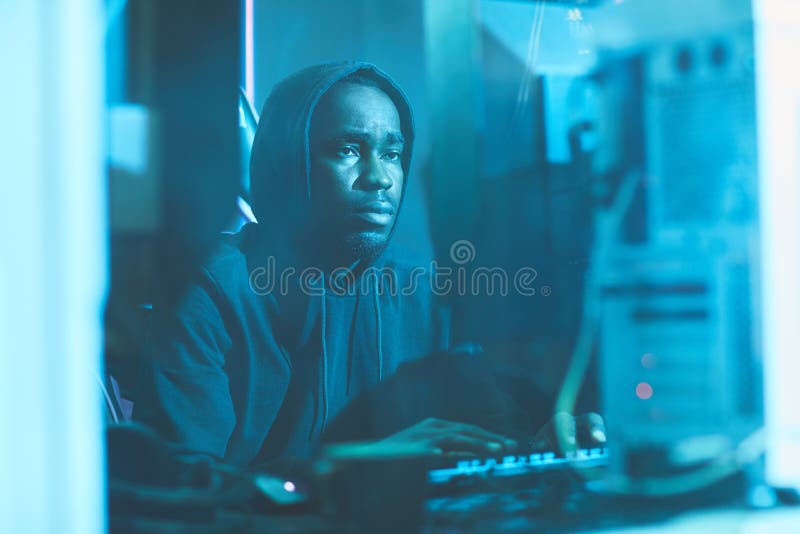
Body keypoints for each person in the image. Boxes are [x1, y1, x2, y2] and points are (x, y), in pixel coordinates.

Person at [136, 61, 602, 469]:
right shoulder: (209, 289)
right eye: (347, 149)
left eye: (393, 154)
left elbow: (484, 442)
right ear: (287, 161)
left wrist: (543, 446)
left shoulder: (420, 292)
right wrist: (356, 467)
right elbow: (185, 490)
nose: (379, 178)